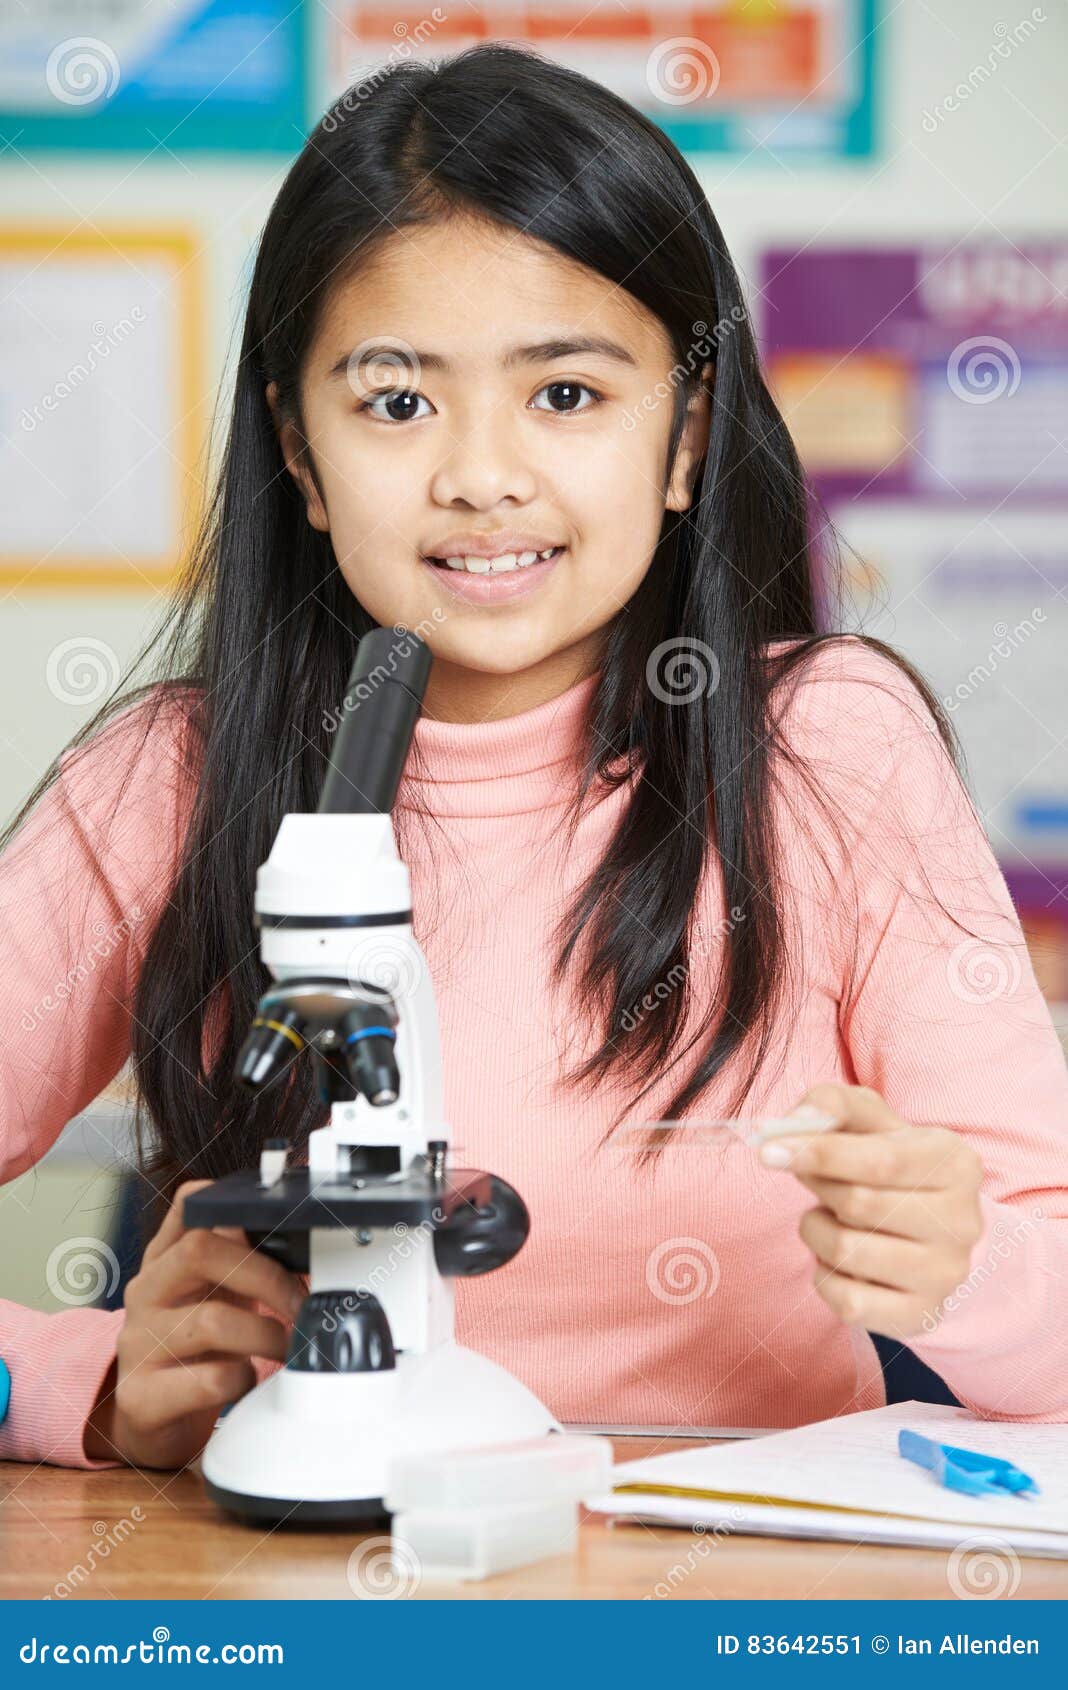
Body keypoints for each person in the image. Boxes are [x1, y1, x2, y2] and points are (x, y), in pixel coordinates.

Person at [2, 43, 1066, 1474]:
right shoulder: (168, 776)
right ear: (300, 456)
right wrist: (84, 1381)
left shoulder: (831, 747)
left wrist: (967, 1268)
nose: (482, 473)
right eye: (396, 402)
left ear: (684, 435)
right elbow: (96, 1380)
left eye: (566, 394)